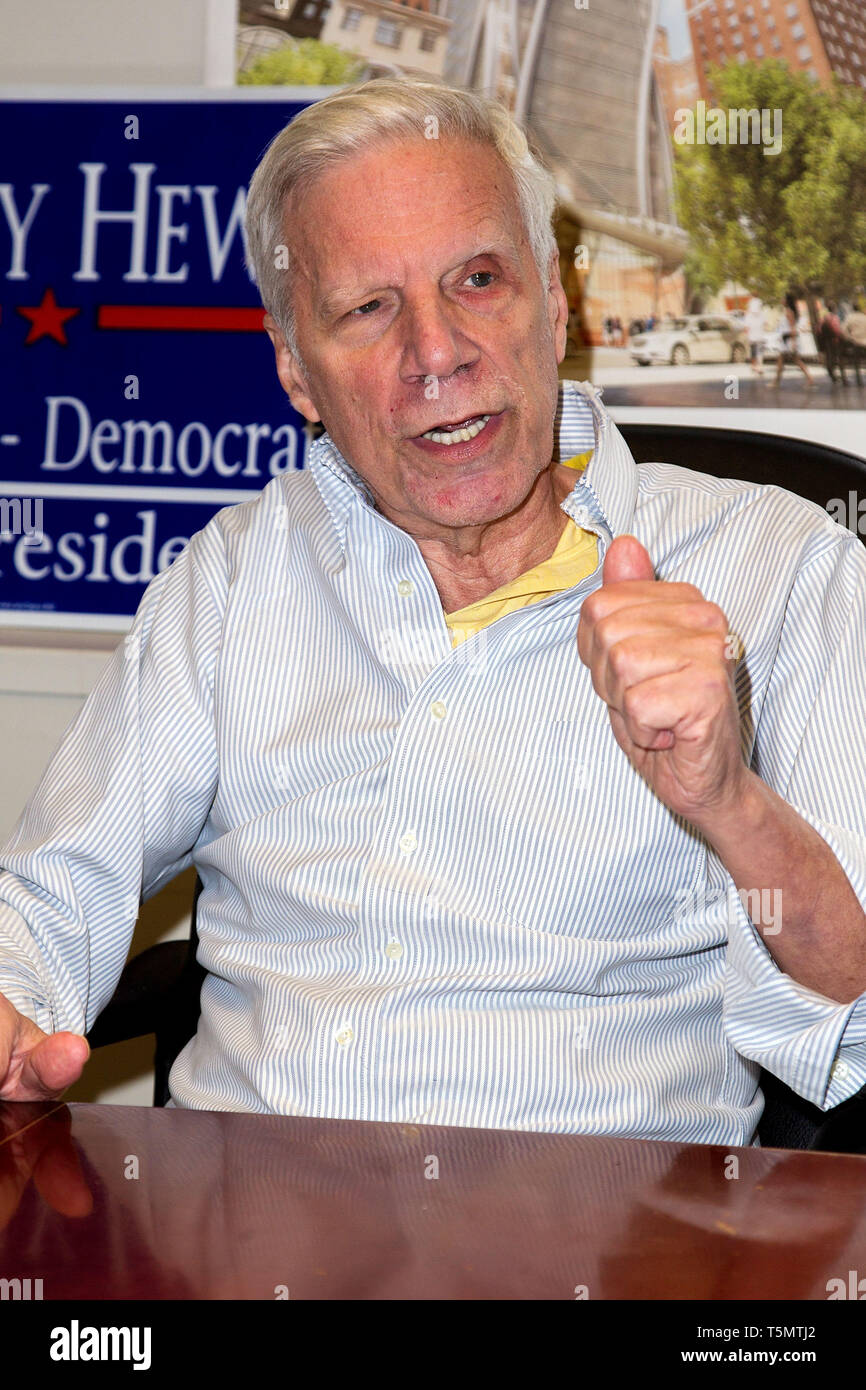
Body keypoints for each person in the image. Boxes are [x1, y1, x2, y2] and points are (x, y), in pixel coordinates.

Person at [1, 77, 866, 1145]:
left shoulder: (781, 564)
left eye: (478, 279)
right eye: (367, 308)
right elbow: (48, 897)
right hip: (239, 1236)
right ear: (295, 373)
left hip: (589, 1246)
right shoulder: (234, 572)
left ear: (554, 303)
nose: (435, 351)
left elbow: (853, 1012)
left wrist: (729, 802)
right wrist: (10, 1006)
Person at [773, 291, 813, 387]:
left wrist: (793, 342)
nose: (781, 300)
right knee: (783, 361)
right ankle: (776, 382)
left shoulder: (789, 312)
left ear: (787, 301)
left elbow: (792, 328)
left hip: (789, 339)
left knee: (795, 360)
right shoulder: (788, 311)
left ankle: (810, 378)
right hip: (787, 339)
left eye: (783, 298)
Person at [744, 295, 765, 377]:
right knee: (758, 352)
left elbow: (746, 327)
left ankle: (756, 366)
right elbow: (765, 324)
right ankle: (757, 366)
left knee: (755, 352)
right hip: (757, 336)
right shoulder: (759, 314)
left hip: (755, 337)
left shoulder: (749, 315)